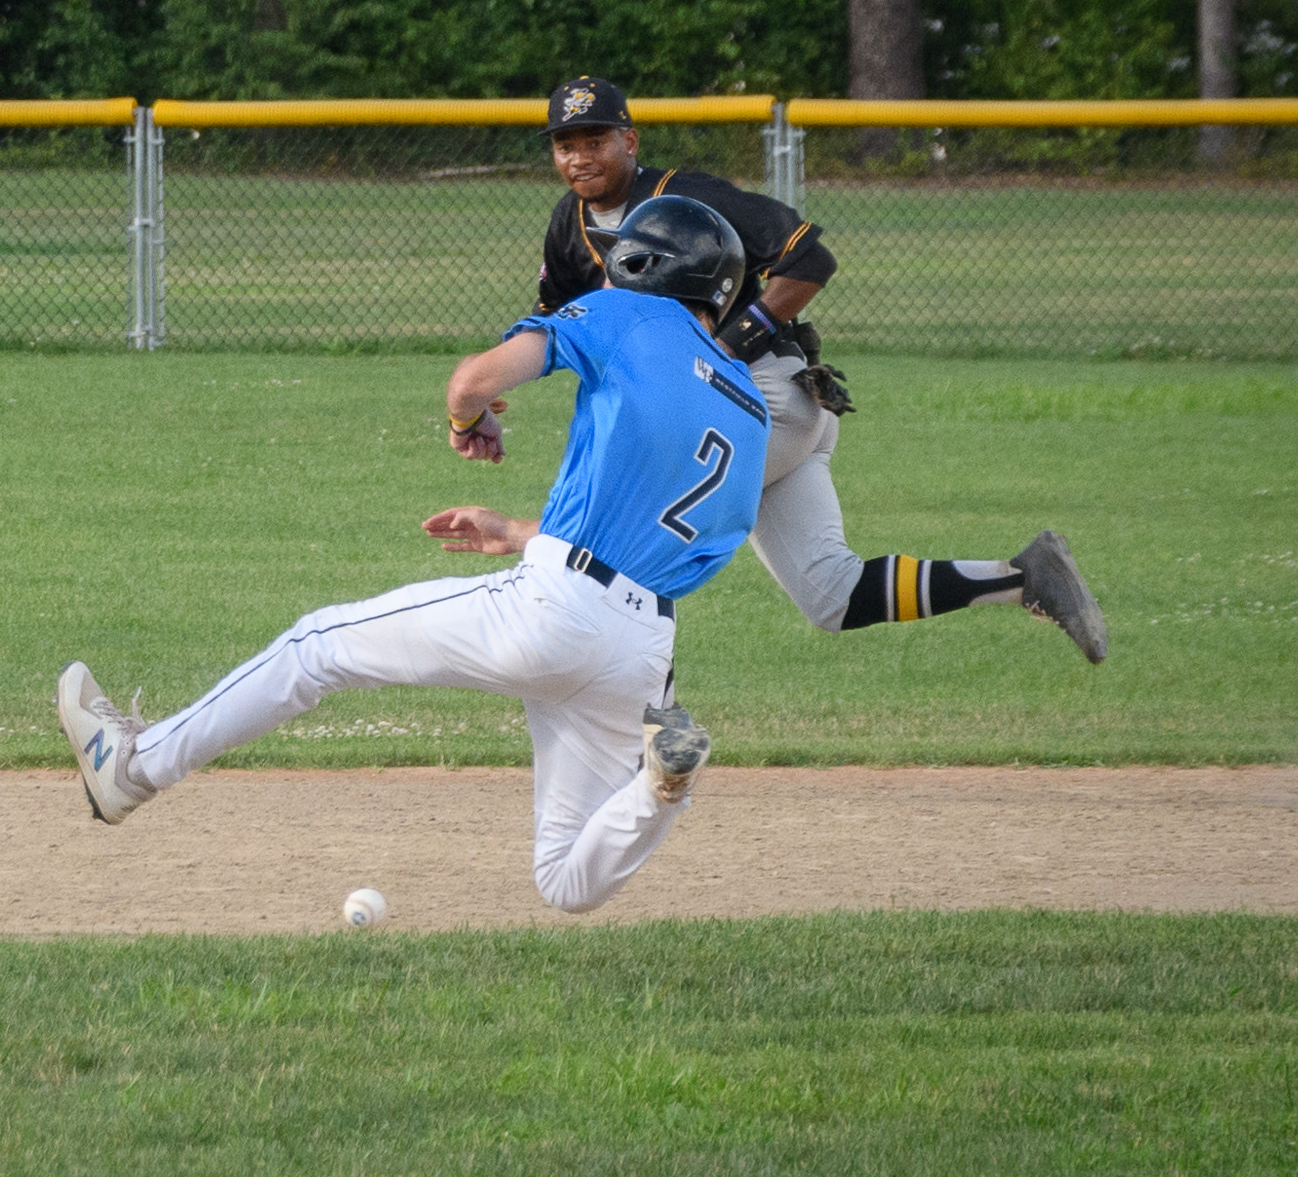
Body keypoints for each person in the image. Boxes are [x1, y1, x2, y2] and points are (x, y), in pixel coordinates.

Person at [60, 196, 769, 914]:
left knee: (315, 647)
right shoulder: (748, 402)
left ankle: (135, 769)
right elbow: (683, 534)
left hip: (555, 609)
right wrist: (527, 532)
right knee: (563, 882)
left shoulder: (628, 315)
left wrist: (471, 418)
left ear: (642, 263)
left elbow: (472, 382)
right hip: (643, 650)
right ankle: (658, 786)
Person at [534, 76, 1105, 660]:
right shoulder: (569, 223)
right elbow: (556, 322)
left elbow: (809, 258)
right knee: (833, 594)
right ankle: (1024, 576)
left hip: (762, 399)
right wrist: (487, 405)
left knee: (627, 543)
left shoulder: (687, 197)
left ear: (629, 141)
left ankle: (658, 719)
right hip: (762, 415)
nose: (579, 157)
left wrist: (723, 350)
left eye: (595, 139)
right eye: (565, 144)